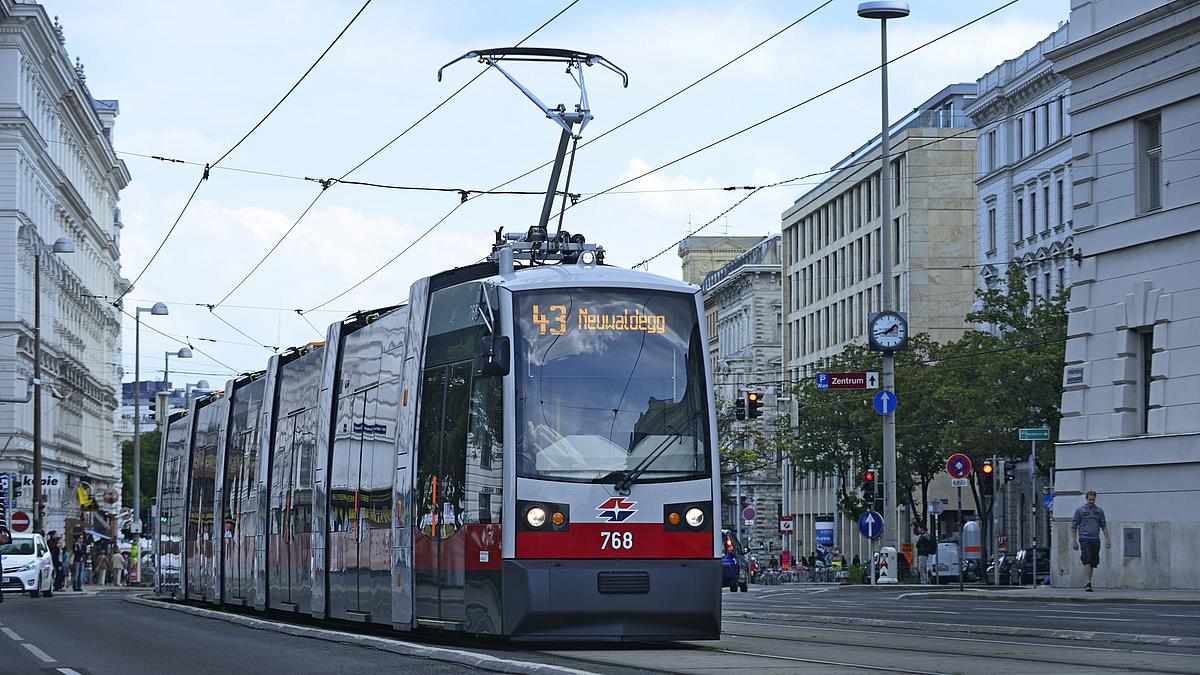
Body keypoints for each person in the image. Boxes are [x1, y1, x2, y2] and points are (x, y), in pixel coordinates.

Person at [1070, 489, 1110, 592]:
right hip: (1084, 538)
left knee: (1093, 562)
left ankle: (1088, 581)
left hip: (1095, 539)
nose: (1091, 501)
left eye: (1093, 499)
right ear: (1086, 499)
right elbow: (1074, 526)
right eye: (1090, 499)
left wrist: (1107, 539)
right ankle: (1088, 583)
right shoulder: (1080, 511)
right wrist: (1074, 540)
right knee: (1087, 560)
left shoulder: (1099, 511)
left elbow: (1103, 525)